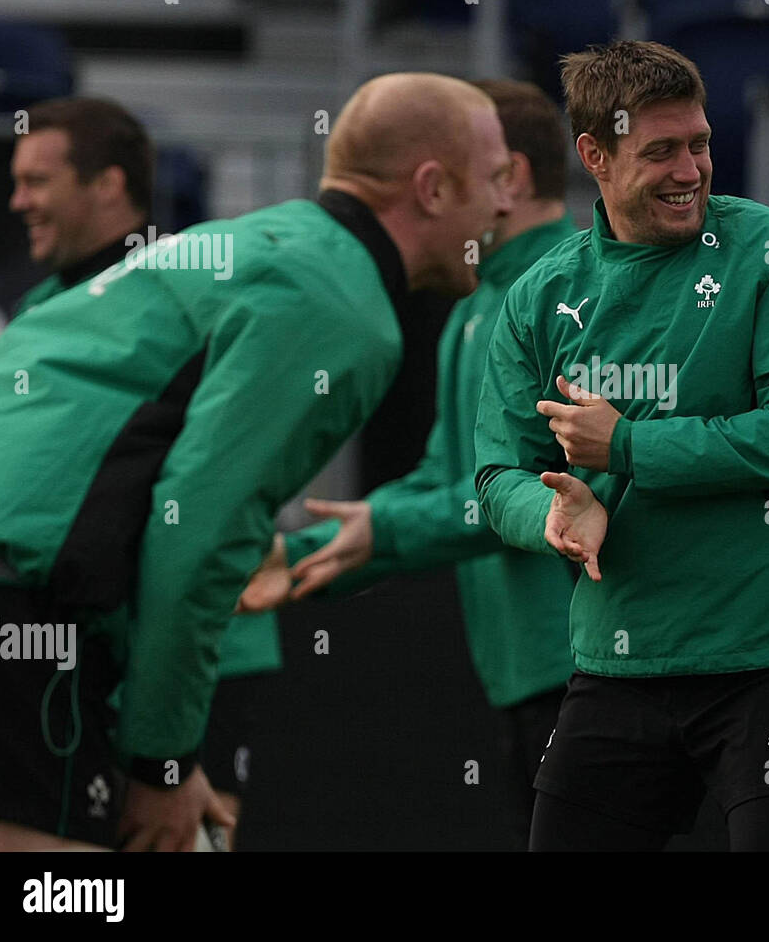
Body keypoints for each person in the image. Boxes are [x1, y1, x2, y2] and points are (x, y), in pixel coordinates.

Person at [0, 72, 512, 851]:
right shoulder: (337, 302)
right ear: (431, 188)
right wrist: (160, 764)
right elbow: (196, 530)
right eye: (495, 179)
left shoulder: (273, 245)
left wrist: (165, 757)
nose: (503, 204)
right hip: (12, 602)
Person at [472, 41, 769, 852]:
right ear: (595, 156)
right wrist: (553, 513)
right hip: (614, 665)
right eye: (661, 152)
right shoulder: (542, 294)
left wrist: (631, 446)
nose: (691, 171)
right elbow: (499, 469)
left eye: (701, 144)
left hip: (766, 661)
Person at [241, 79, 579, 848]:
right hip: (526, 672)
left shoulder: (567, 293)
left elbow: (524, 487)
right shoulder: (468, 303)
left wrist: (387, 527)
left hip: (583, 664)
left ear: (513, 178)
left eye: (491, 177)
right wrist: (297, 553)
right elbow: (445, 477)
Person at [6, 95, 280, 851]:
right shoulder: (35, 310)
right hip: (66, 665)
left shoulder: (196, 295)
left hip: (203, 658)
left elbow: (224, 489)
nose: (16, 200)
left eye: (37, 179)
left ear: (108, 184)